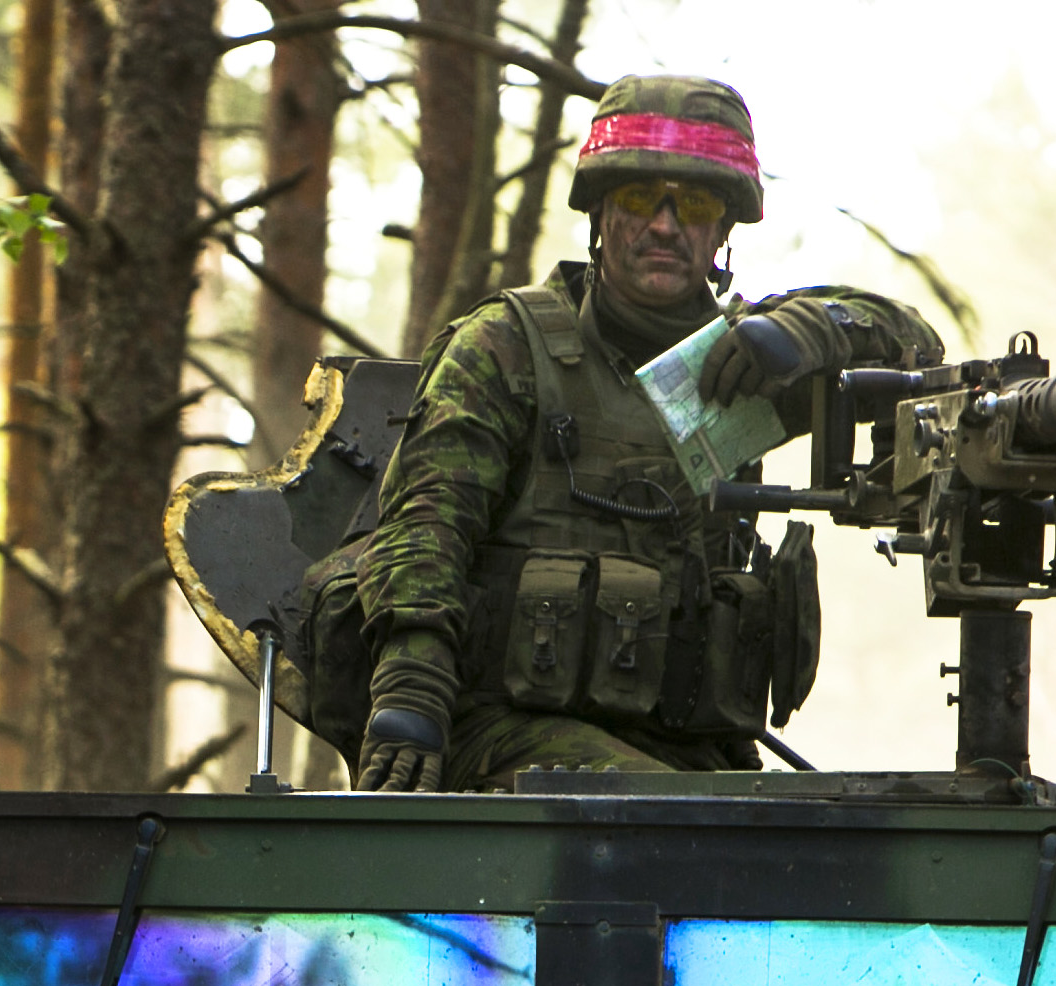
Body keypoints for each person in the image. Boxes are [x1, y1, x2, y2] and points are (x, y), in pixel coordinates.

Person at [354, 76, 943, 791]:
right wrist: (412, 690)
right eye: (639, 199)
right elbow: (426, 527)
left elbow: (919, 346)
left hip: (695, 754)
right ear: (600, 212)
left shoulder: (741, 362)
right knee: (678, 820)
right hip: (506, 732)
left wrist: (818, 325)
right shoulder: (507, 348)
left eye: (693, 204)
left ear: (724, 229)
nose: (665, 225)